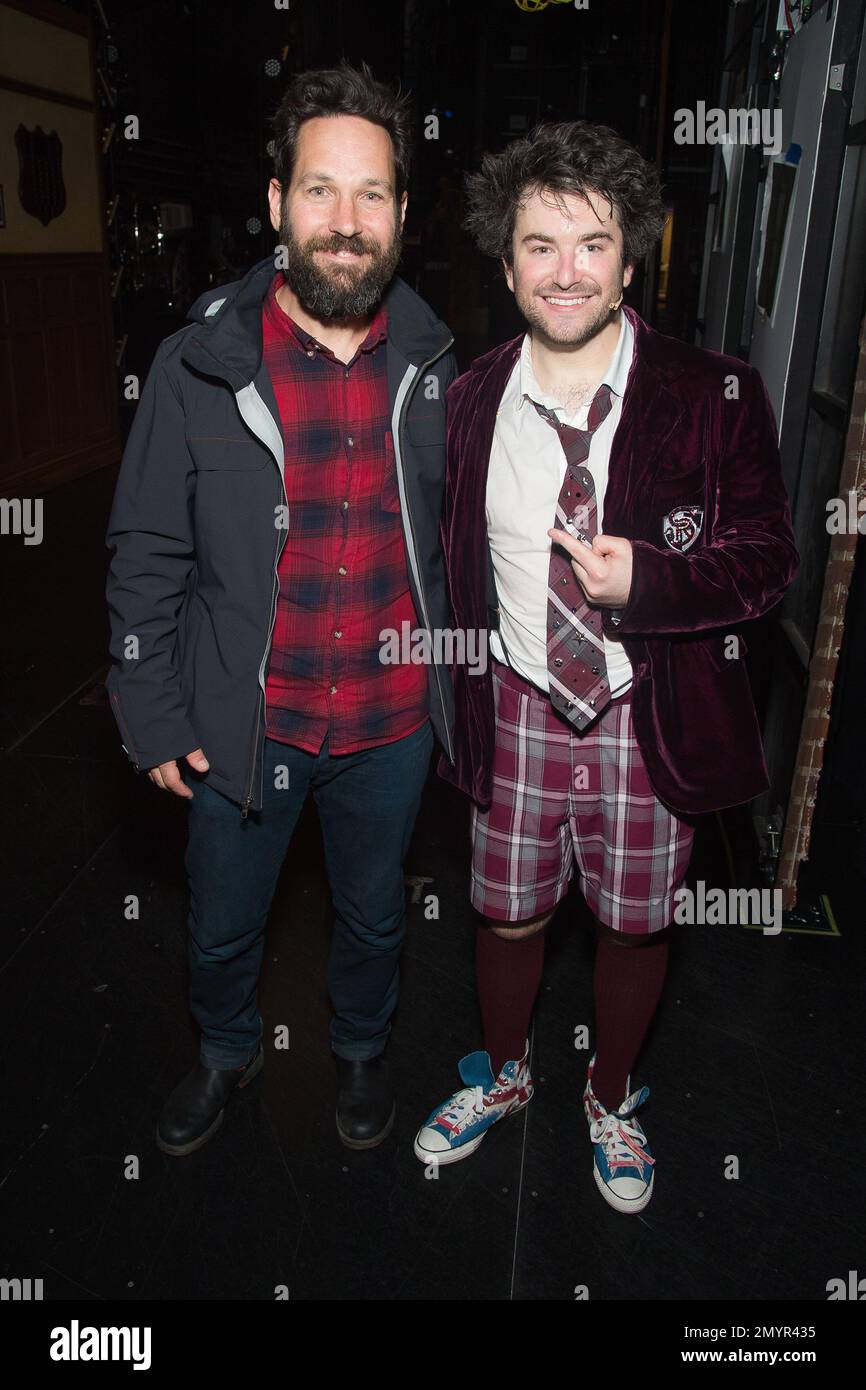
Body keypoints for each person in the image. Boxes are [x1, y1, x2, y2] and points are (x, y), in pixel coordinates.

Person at [414, 120, 799, 1214]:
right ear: (505, 262)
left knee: (635, 921)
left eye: (591, 243)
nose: (566, 270)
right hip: (518, 708)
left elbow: (769, 558)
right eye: (539, 245)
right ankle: (502, 1075)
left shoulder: (715, 392)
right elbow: (445, 566)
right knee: (505, 914)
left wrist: (652, 585)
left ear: (630, 257)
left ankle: (611, 1093)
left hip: (647, 711)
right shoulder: (468, 399)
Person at [105, 62, 457, 1156]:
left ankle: (357, 1048)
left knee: (375, 915)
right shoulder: (198, 362)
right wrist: (147, 703)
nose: (344, 224)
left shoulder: (445, 370)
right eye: (319, 190)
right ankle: (223, 1049)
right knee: (220, 928)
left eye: (370, 195)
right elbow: (146, 546)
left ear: (402, 214)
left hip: (390, 723)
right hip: (238, 722)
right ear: (275, 203)